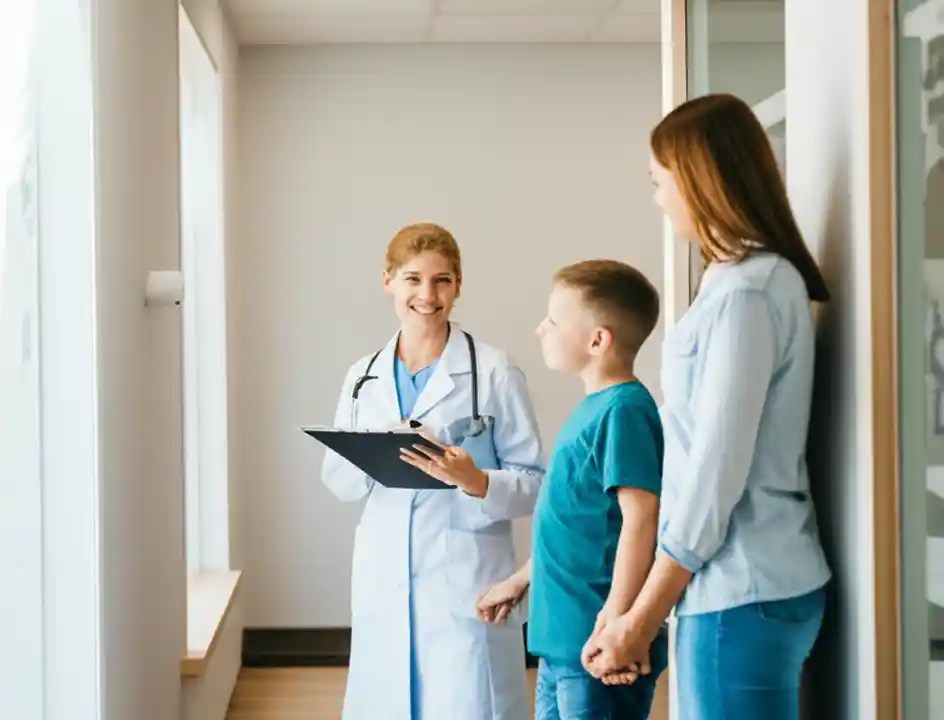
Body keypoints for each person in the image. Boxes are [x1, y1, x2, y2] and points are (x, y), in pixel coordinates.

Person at [581, 93, 832, 720]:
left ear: (698, 181)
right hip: (738, 587)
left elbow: (714, 476)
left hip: (739, 589)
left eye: (660, 182)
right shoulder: (733, 280)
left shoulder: (749, 292)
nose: (659, 199)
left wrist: (643, 616)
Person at [321, 222, 545, 720]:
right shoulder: (363, 378)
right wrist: (372, 453)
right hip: (385, 571)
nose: (428, 294)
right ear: (388, 281)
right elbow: (336, 480)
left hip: (465, 575)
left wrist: (476, 481)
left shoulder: (493, 371)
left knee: (467, 700)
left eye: (442, 280)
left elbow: (533, 485)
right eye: (412, 279)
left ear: (459, 285)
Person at [476, 260, 667, 720]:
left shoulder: (624, 411)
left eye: (553, 320)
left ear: (597, 340)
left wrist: (620, 620)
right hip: (560, 639)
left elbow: (642, 518)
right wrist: (519, 581)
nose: (540, 329)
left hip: (595, 644)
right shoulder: (593, 408)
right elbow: (575, 523)